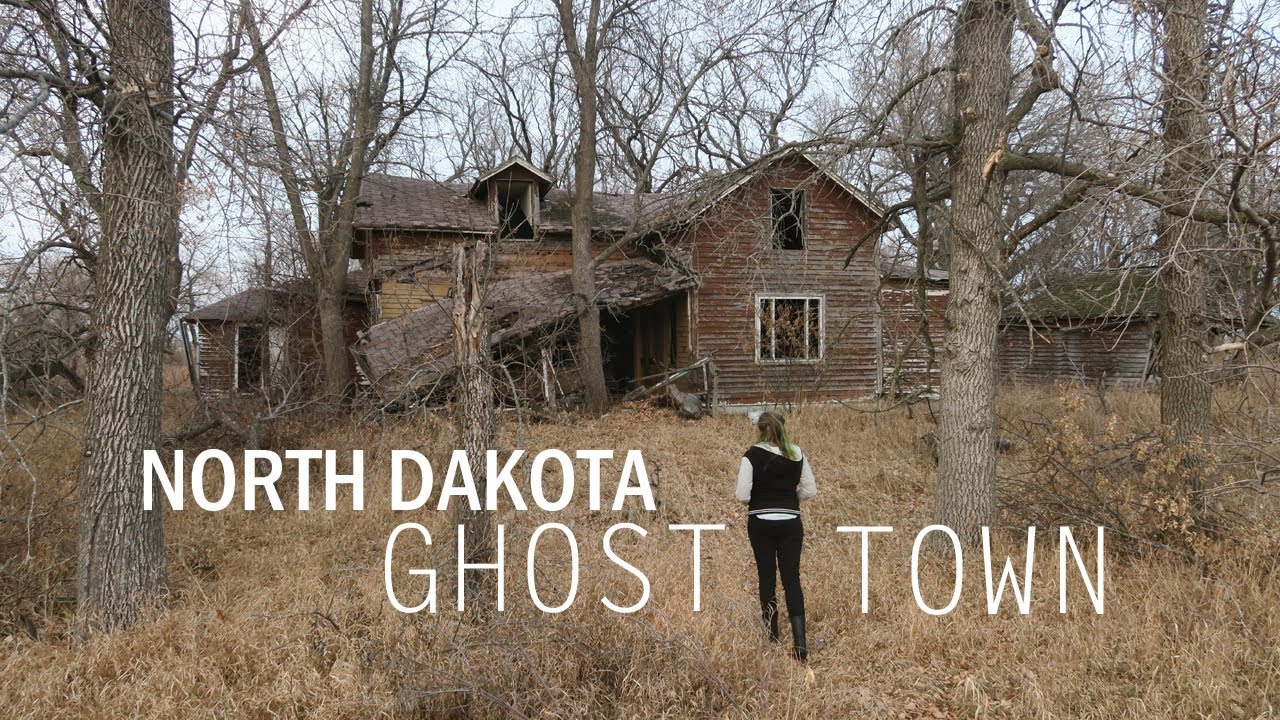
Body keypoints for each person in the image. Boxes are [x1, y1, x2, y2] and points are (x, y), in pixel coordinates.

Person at [736, 411, 817, 662]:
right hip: (791, 521)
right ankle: (800, 644)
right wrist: (790, 500)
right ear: (783, 428)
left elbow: (742, 495)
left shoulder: (751, 456)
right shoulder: (797, 453)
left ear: (760, 430)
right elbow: (810, 490)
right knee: (792, 579)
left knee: (767, 577)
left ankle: (772, 638)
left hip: (761, 522)